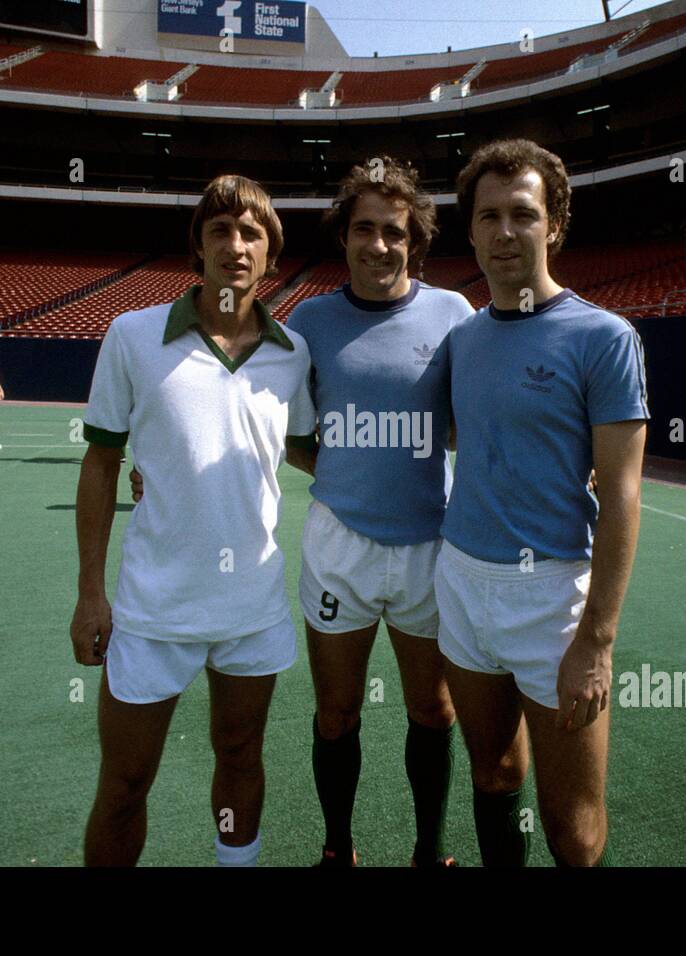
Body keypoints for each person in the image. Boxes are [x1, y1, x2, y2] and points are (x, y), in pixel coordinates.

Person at [131, 157, 474, 867]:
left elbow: (474, 425)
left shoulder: (453, 315)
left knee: (433, 710)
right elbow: (277, 428)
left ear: (416, 241)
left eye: (395, 233)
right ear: (343, 238)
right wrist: (167, 467)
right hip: (338, 549)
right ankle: (337, 850)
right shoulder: (309, 324)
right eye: (363, 230)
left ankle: (428, 850)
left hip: (428, 547)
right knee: (336, 713)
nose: (379, 246)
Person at [71, 174, 315, 867]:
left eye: (252, 234)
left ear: (270, 256)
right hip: (152, 611)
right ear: (198, 251)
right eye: (220, 231)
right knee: (124, 782)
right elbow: (100, 462)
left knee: (241, 757)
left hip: (253, 607)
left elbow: (303, 449)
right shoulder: (133, 336)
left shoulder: (293, 355)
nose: (236, 245)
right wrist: (92, 591)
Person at [436, 139, 649, 867]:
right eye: (487, 216)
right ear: (469, 230)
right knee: (493, 774)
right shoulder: (461, 338)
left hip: (553, 600)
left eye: (522, 214)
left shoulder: (604, 338)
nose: (503, 233)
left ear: (554, 224)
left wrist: (596, 641)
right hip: (460, 584)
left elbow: (621, 499)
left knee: (575, 828)